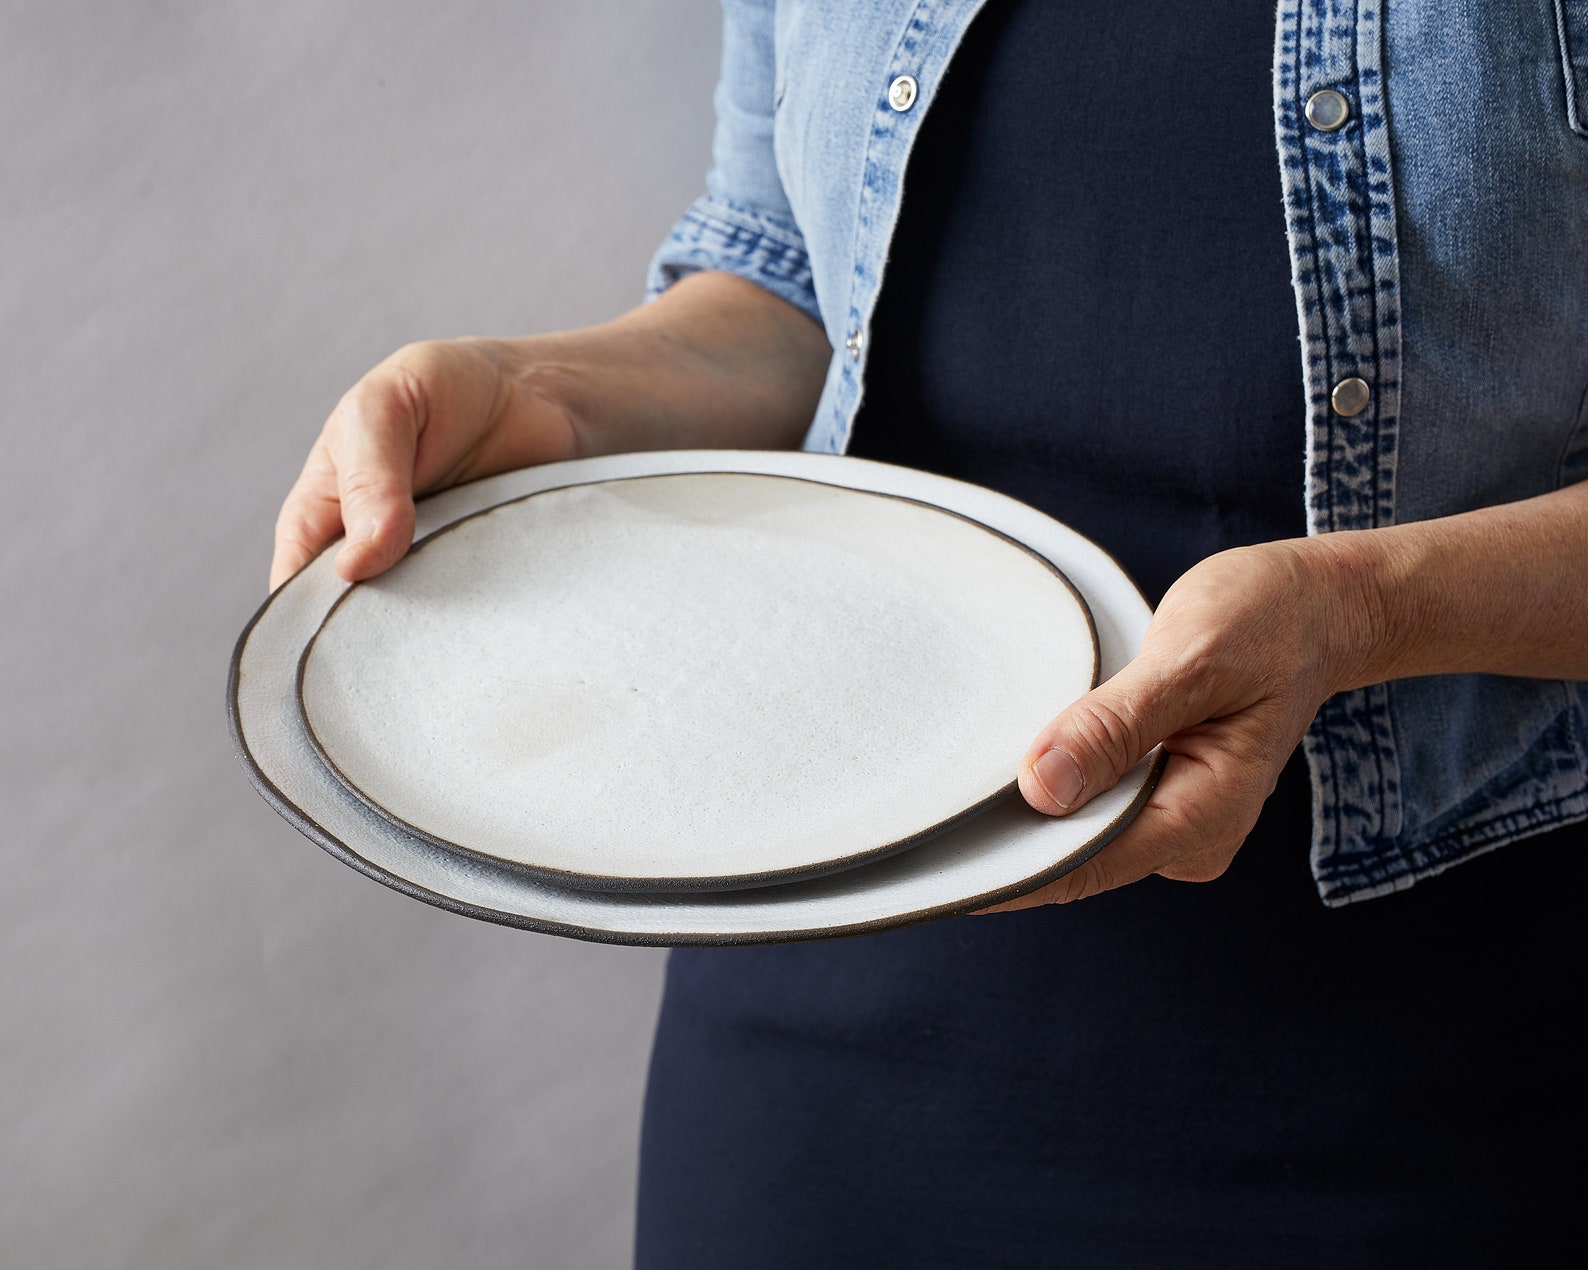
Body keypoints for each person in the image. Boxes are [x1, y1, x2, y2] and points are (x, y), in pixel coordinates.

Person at [271, 1, 1587, 1263]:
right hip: (821, 1049)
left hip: (1436, 1070)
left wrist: (1364, 611)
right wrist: (536, 394)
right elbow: (789, 289)